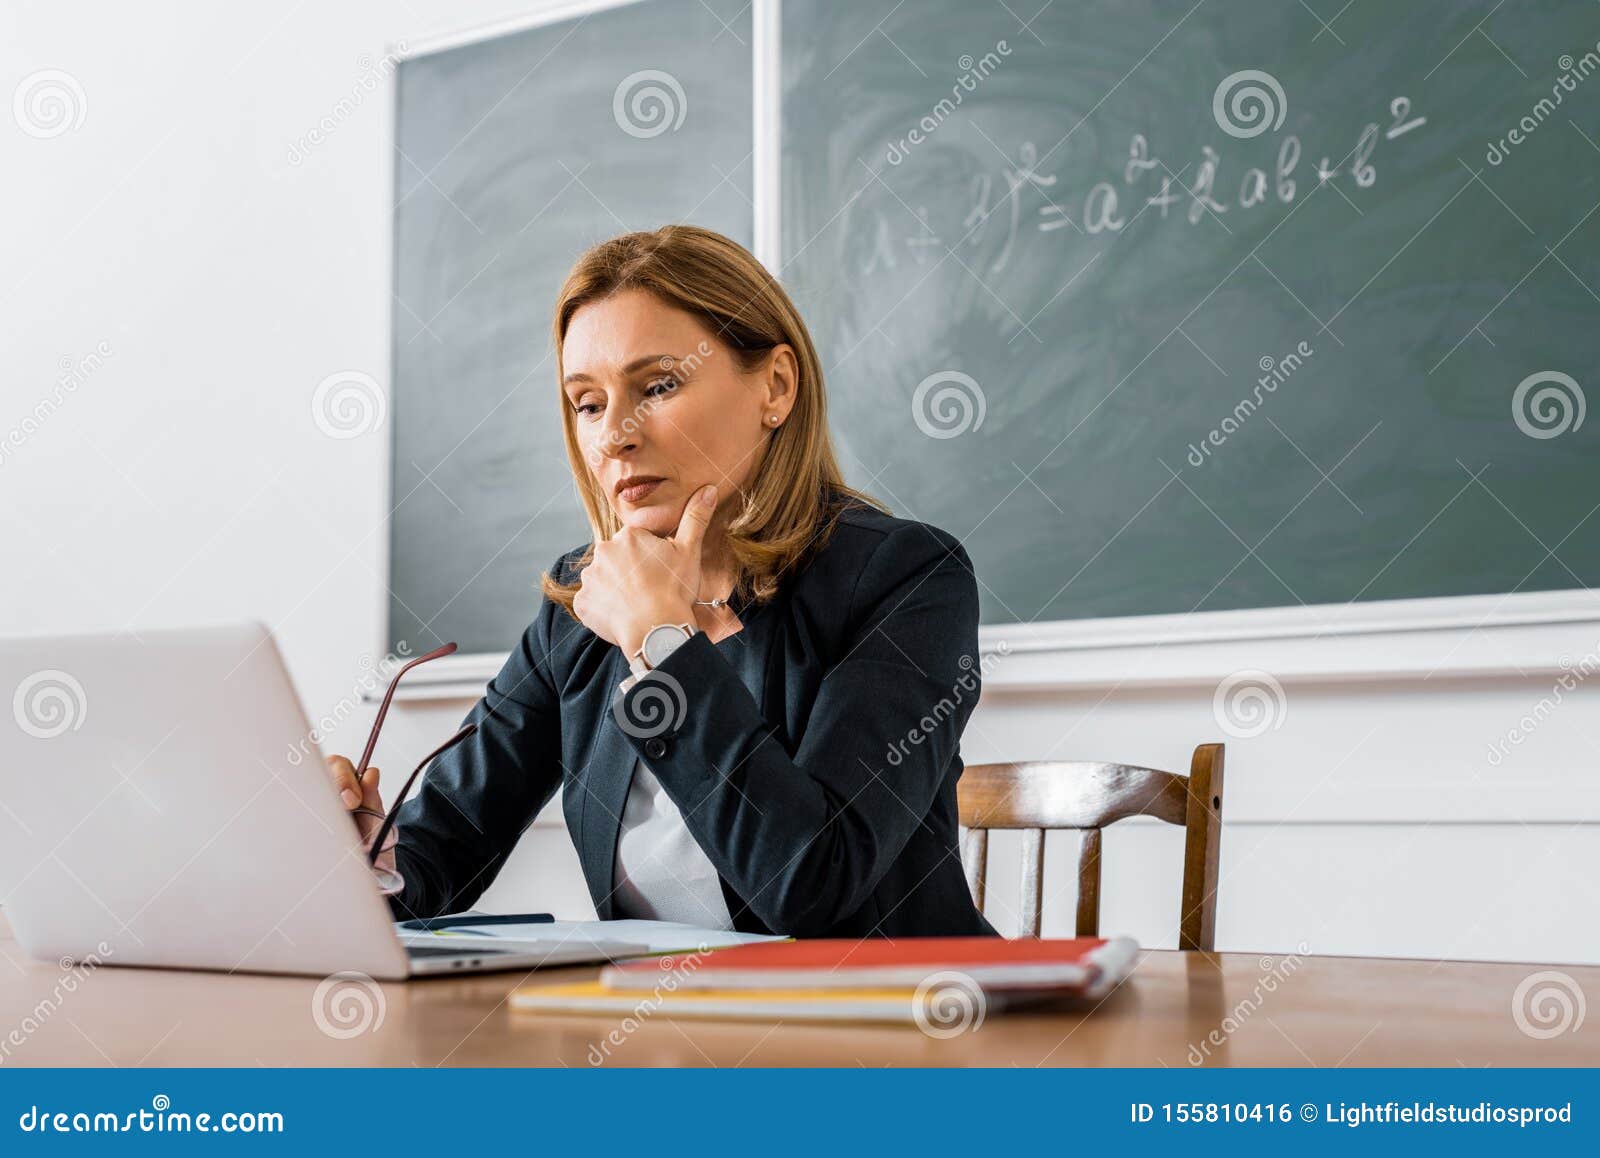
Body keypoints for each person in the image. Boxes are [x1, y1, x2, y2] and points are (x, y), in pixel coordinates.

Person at [328, 224, 995, 938]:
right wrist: (362, 861)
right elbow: (445, 845)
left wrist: (661, 643)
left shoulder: (906, 579)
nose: (615, 434)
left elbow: (811, 883)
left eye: (659, 385)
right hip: (663, 1038)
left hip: (876, 1033)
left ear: (775, 387)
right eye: (587, 402)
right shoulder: (578, 608)